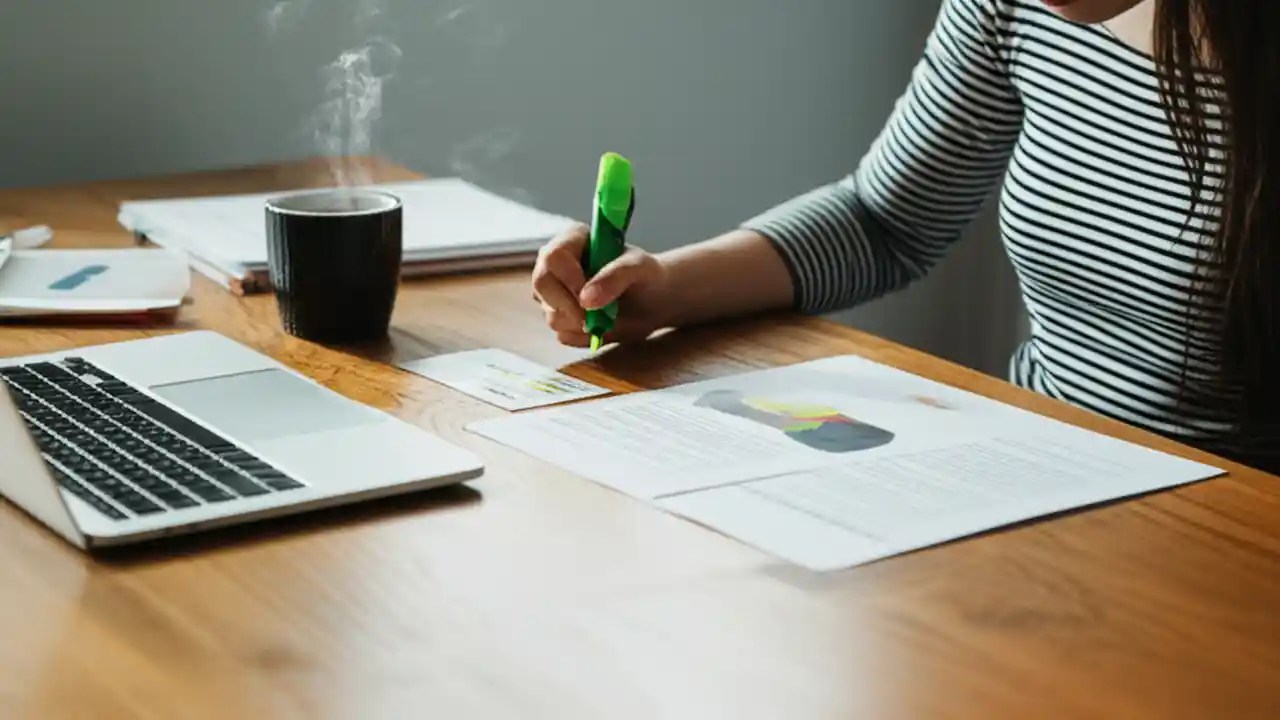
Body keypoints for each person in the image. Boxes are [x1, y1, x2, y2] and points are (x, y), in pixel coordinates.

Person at [531, 0, 1279, 473]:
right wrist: (663, 289)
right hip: (1037, 475)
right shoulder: (1018, 8)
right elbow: (884, 220)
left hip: (1226, 544)